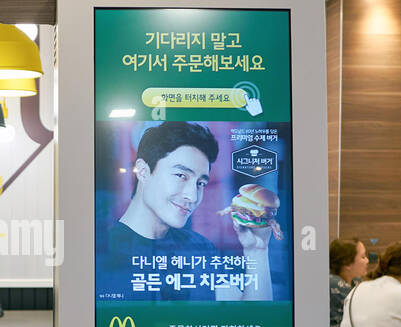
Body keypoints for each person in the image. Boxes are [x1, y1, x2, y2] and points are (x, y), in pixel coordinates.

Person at [97, 121, 273, 302]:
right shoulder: (99, 252)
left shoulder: (200, 249)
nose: (193, 196)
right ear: (143, 171)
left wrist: (257, 252)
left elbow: (250, 320)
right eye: (181, 176)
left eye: (201, 183)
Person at [329, 237, 369, 327]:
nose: (367, 261)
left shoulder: (355, 282)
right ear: (347, 263)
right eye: (363, 257)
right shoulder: (334, 285)